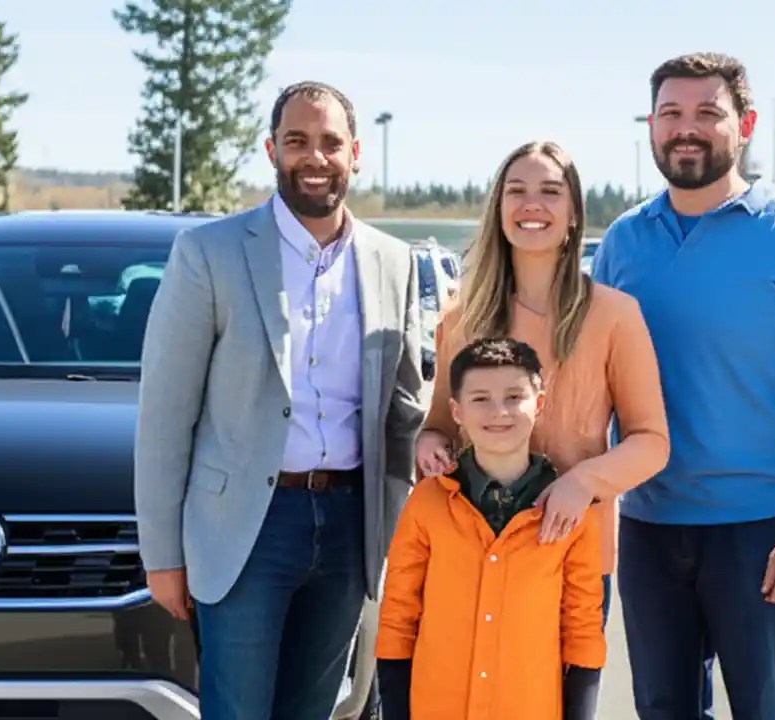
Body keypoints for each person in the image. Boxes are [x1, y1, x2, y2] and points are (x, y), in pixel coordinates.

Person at [134, 79, 425, 720]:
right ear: (272, 150)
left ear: (355, 153)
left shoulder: (392, 262)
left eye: (329, 143)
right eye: (297, 141)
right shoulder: (208, 253)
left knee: (315, 711)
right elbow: (164, 415)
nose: (314, 158)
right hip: (245, 530)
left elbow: (404, 415)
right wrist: (162, 556)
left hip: (350, 528)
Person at [593, 52, 775, 719]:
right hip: (650, 526)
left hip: (761, 530)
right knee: (662, 709)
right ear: (652, 127)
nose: (687, 128)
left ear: (744, 124)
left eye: (707, 113)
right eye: (671, 114)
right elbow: (592, 382)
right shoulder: (625, 241)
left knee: (766, 709)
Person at [415, 139, 670, 628]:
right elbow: (440, 426)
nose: (532, 204)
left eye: (550, 191)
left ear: (573, 212)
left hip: (573, 556)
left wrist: (583, 483)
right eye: (517, 191)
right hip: (472, 555)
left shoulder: (615, 315)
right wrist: (430, 446)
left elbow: (651, 442)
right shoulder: (462, 318)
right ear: (499, 208)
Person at [376, 337, 605, 720]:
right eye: (480, 398)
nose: (499, 412)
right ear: (457, 411)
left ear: (540, 404)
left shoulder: (569, 511)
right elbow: (399, 615)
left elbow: (582, 630)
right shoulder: (428, 503)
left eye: (515, 397)